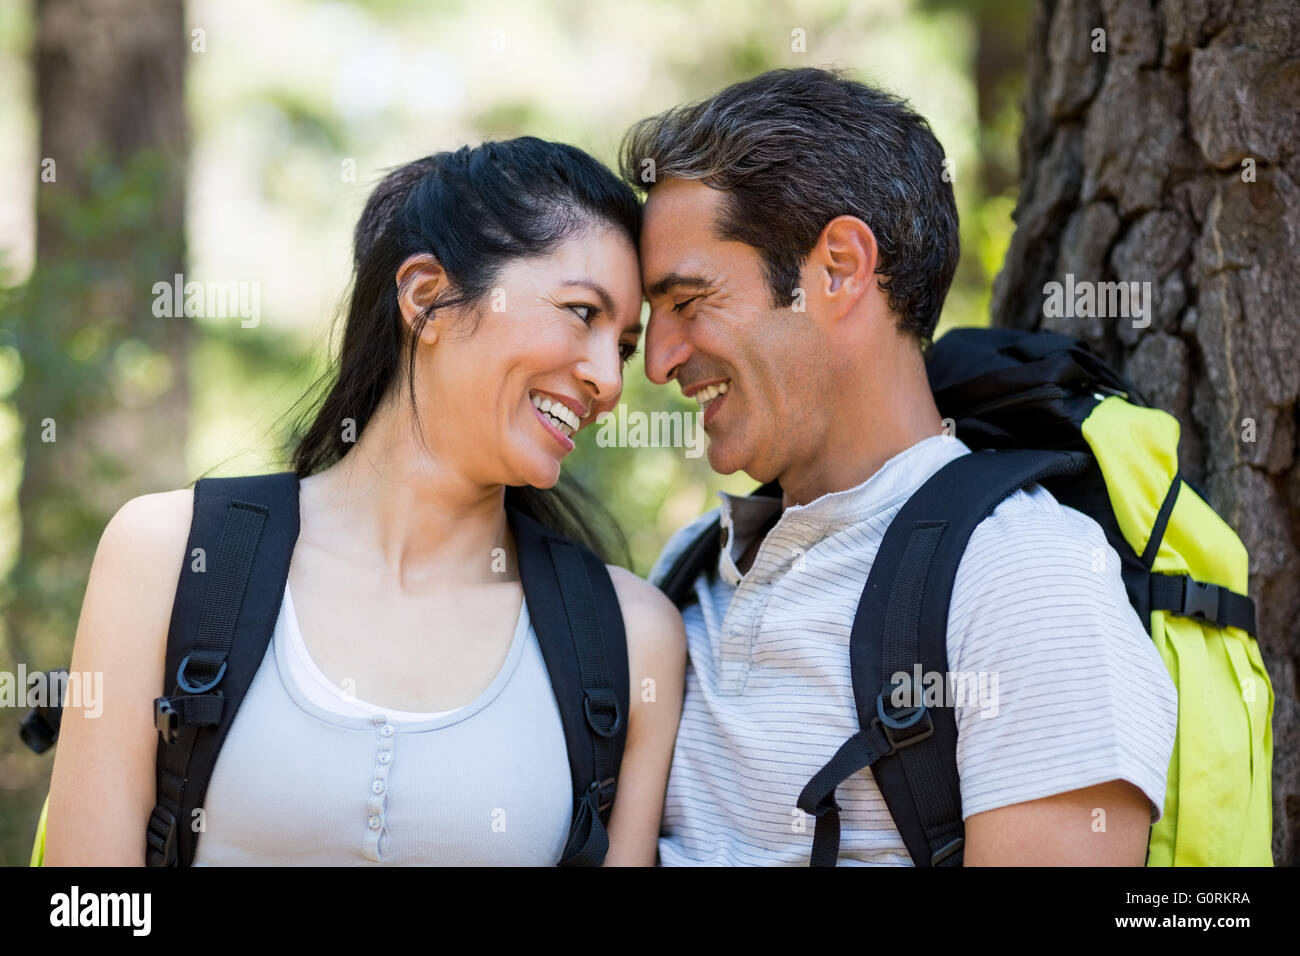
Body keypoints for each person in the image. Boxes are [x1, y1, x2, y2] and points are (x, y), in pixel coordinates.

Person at [43, 138, 686, 866]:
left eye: (625, 347)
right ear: (426, 298)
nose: (608, 378)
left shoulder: (630, 637)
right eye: (580, 313)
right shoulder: (169, 555)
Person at [621, 68, 1179, 866]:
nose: (660, 359)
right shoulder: (691, 569)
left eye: (688, 301)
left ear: (840, 268)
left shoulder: (1026, 581)